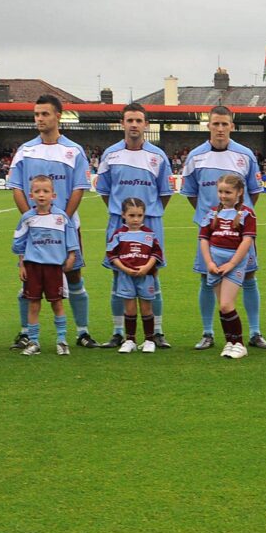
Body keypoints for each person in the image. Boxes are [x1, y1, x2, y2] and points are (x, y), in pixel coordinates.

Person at [8, 96, 94, 349]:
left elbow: (78, 189)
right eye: (36, 114)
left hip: (66, 226)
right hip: (33, 230)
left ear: (58, 116)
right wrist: (32, 219)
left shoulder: (73, 151)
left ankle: (82, 332)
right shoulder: (25, 151)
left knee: (74, 275)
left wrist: (62, 221)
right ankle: (25, 332)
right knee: (29, 279)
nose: (40, 119)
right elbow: (16, 188)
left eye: (45, 114)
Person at [180, 107, 266, 350]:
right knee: (206, 278)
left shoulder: (245, 155)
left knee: (249, 278)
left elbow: (254, 191)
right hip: (211, 232)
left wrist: (237, 218)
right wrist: (213, 218)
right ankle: (208, 333)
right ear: (208, 125)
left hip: (240, 233)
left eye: (224, 124)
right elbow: (190, 194)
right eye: (215, 124)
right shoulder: (195, 156)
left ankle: (255, 332)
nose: (220, 128)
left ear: (232, 125)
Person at [94, 102, 173, 348]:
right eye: (130, 120)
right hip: (119, 221)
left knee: (152, 273)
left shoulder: (157, 156)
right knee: (118, 276)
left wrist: (150, 214)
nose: (134, 125)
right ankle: (119, 331)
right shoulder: (110, 154)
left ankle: (156, 332)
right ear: (122, 123)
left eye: (139, 120)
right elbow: (104, 191)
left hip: (149, 222)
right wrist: (121, 212)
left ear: (146, 124)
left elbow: (166, 192)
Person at [11, 175, 80, 356]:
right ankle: (33, 342)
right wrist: (21, 264)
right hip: (33, 266)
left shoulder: (61, 217)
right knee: (33, 304)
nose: (41, 195)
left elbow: (70, 237)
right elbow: (20, 242)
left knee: (57, 303)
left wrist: (71, 255)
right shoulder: (27, 218)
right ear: (31, 195)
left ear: (53, 195)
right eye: (37, 191)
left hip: (54, 267)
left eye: (46, 191)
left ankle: (62, 340)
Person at [198, 173, 256, 359]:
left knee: (226, 304)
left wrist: (232, 263)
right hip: (215, 263)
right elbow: (204, 239)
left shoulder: (247, 214)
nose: (223, 196)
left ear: (239, 192)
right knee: (222, 307)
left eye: (228, 192)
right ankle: (229, 342)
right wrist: (209, 262)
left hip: (234, 264)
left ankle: (239, 343)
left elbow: (247, 241)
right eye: (220, 192)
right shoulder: (212, 213)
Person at [106, 197, 163, 353]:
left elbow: (156, 254)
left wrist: (147, 267)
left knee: (146, 309)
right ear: (123, 215)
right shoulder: (118, 235)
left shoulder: (149, 235)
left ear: (144, 215)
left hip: (145, 276)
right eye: (132, 215)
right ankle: (130, 339)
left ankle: (149, 340)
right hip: (126, 276)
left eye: (139, 215)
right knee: (130, 309)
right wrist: (124, 269)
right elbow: (112, 255)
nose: (136, 219)